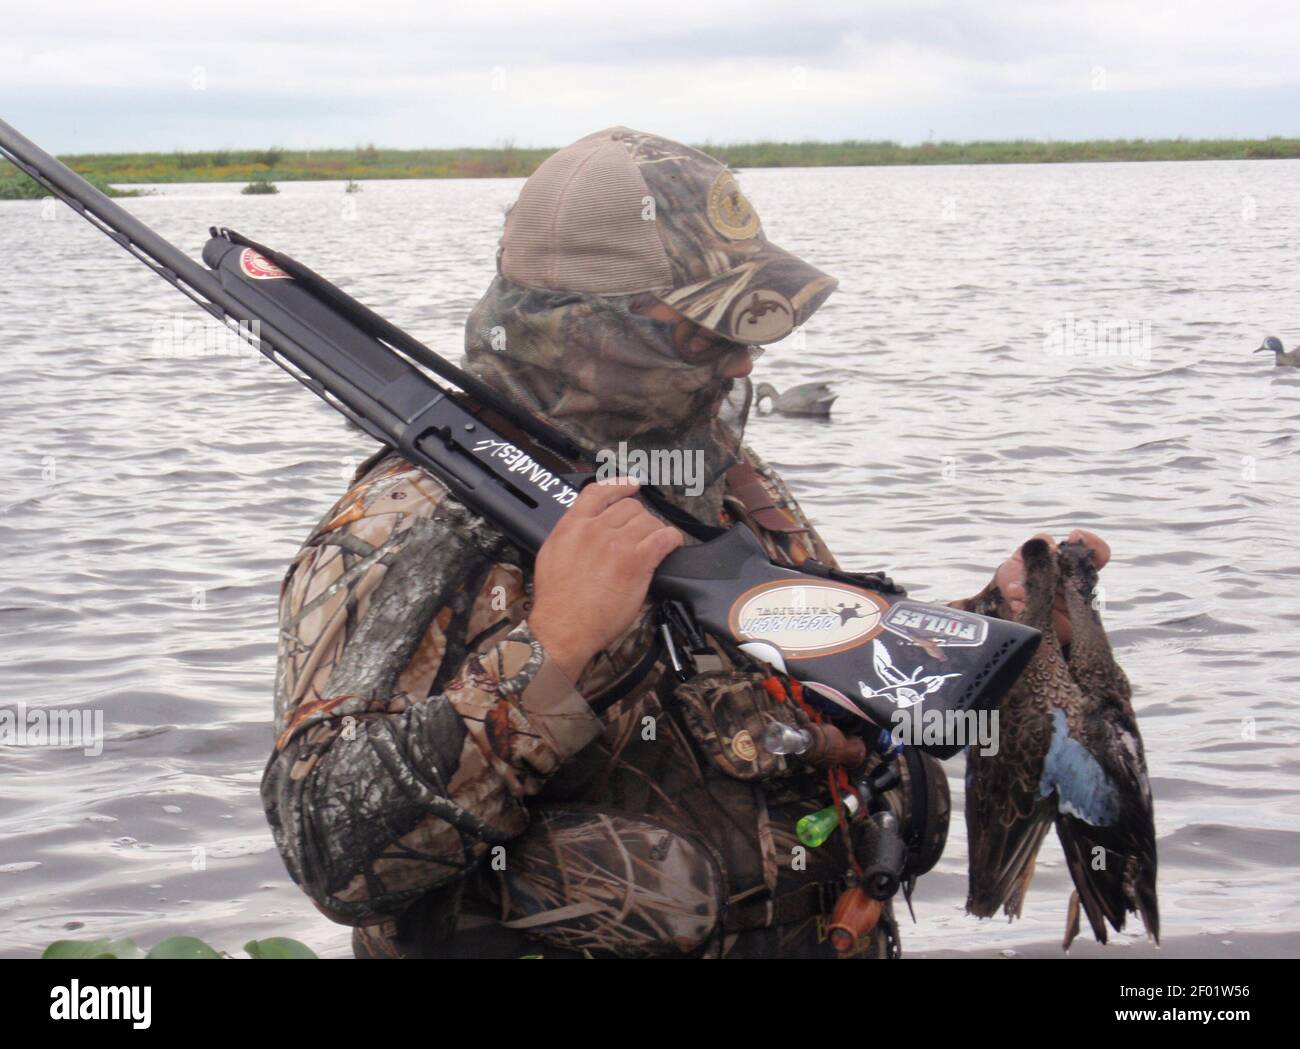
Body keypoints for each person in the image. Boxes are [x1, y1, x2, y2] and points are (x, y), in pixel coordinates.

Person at [260, 127, 1109, 958]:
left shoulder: (724, 476)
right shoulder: (406, 522)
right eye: (702, 334)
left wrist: (992, 625)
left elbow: (816, 671)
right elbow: (334, 853)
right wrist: (554, 648)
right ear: (585, 327)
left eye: (743, 329)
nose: (740, 365)